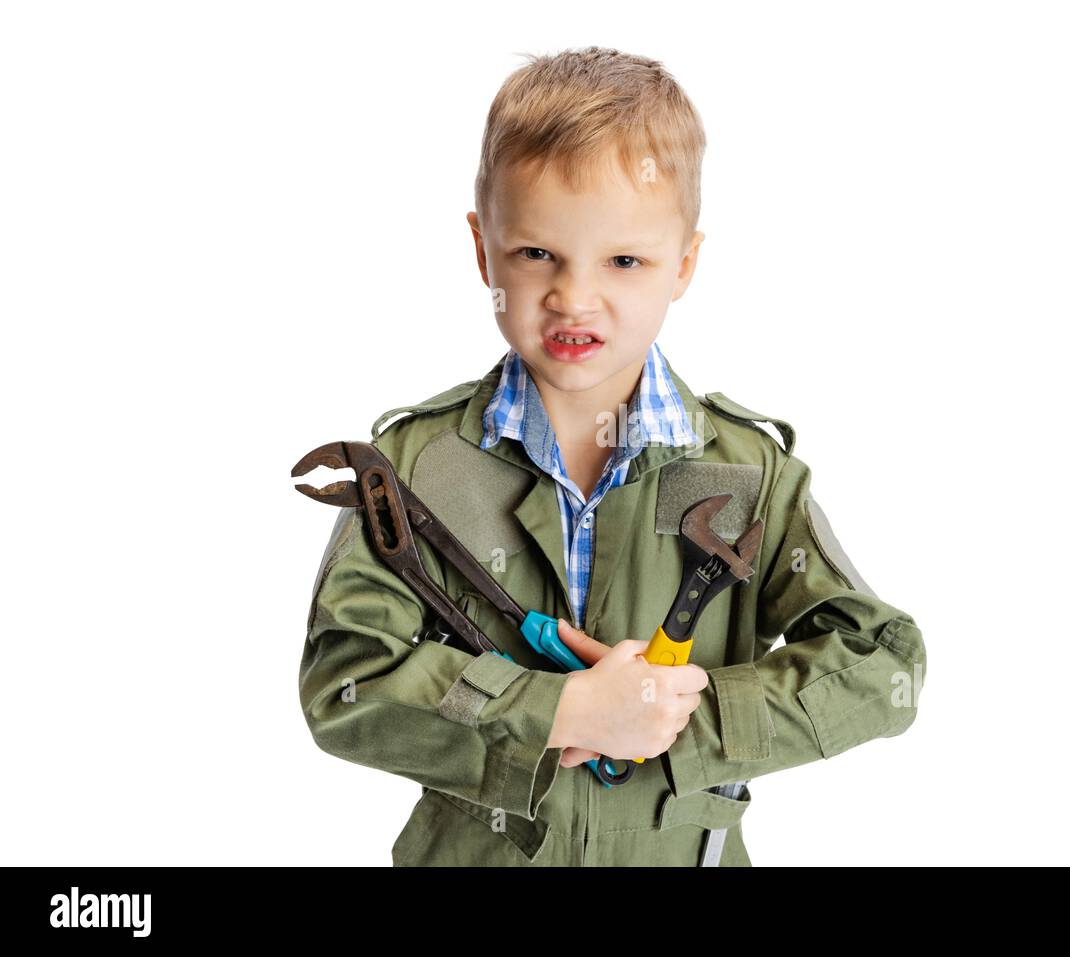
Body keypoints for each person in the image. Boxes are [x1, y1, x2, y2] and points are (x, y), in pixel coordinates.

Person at [298, 45, 927, 866]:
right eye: (535, 254)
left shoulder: (748, 474)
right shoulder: (413, 468)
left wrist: (673, 712)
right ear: (483, 250)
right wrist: (555, 710)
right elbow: (344, 686)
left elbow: (883, 664)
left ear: (684, 265)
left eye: (624, 260)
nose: (574, 296)